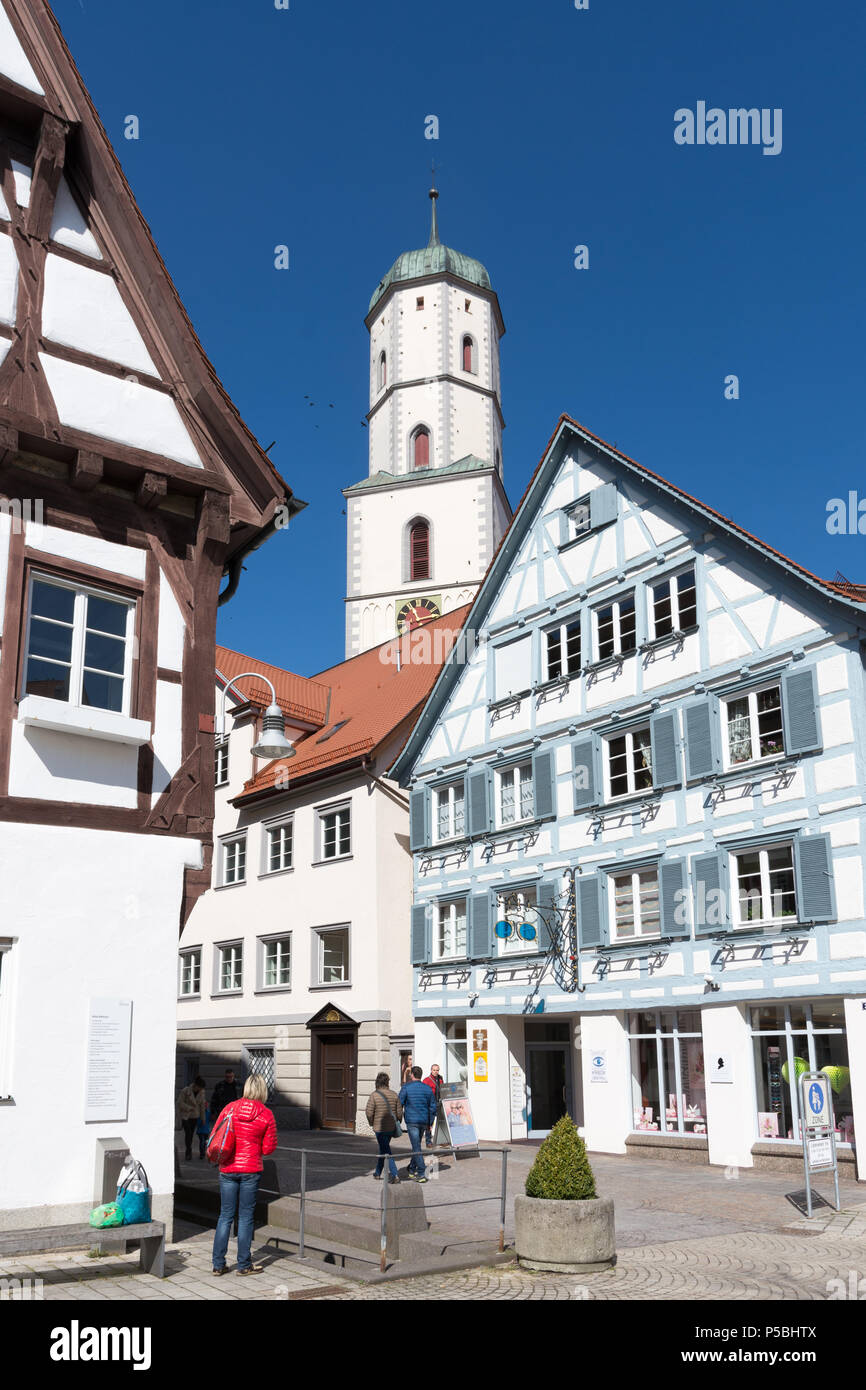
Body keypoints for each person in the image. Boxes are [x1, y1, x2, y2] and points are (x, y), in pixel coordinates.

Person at [211, 1074, 277, 1276]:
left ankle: (218, 1264)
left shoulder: (229, 1108)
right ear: (263, 1091)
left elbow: (216, 1133)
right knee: (246, 1217)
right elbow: (268, 1148)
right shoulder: (266, 1115)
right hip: (250, 1170)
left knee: (225, 1216)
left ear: (246, 1087)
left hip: (228, 1168)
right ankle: (243, 1265)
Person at [398, 1066, 437, 1182]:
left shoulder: (406, 1087)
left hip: (412, 1121)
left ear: (412, 1075)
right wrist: (430, 1123)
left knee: (416, 1147)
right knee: (417, 1146)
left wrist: (398, 1118)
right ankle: (411, 1168)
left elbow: (399, 1103)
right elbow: (433, 1107)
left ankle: (421, 1173)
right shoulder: (427, 1088)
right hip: (423, 1121)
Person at [365, 1072, 403, 1183]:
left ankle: (395, 1174)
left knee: (386, 1151)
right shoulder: (394, 1094)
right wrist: (398, 1121)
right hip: (391, 1127)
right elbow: (399, 1112)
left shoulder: (374, 1095)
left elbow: (369, 1112)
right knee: (384, 1148)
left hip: (379, 1128)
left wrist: (372, 1123)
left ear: (377, 1082)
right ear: (387, 1082)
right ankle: (377, 1172)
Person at [177, 1075, 206, 1161]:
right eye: (199, 1088)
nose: (200, 1089)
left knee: (191, 1134)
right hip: (186, 1116)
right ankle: (188, 1152)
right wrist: (188, 1107)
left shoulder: (201, 1092)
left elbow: (202, 1106)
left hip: (195, 1116)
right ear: (196, 1085)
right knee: (188, 1133)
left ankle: (189, 1150)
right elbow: (179, 1102)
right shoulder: (185, 1091)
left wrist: (203, 1118)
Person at [422, 1063, 442, 1148]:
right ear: (431, 1070)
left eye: (437, 1070)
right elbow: (424, 1093)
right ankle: (428, 1141)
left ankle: (442, 1140)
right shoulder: (426, 1080)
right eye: (434, 1070)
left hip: (439, 1103)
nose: (435, 1072)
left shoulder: (440, 1079)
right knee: (429, 1124)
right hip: (430, 1105)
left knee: (442, 1123)